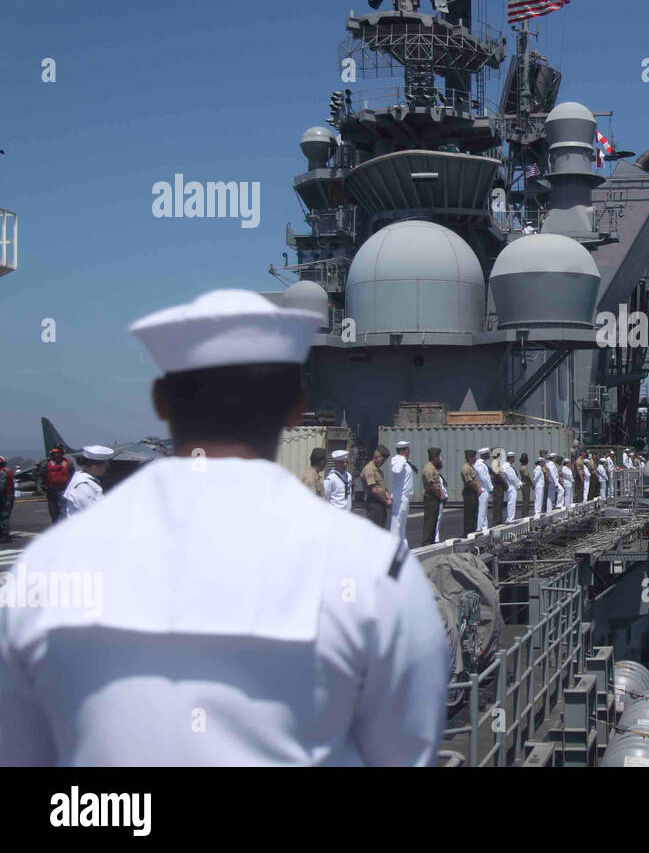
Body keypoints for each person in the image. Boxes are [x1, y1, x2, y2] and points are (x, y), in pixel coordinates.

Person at [0, 288, 448, 765]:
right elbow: (406, 750)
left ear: (160, 401)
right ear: (297, 405)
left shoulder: (45, 569)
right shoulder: (378, 571)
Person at [61, 445, 113, 518]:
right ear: (96, 466)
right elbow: (94, 513)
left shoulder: (88, 480)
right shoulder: (83, 486)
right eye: (105, 466)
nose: (106, 468)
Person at [388, 441, 415, 545]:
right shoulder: (397, 459)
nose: (409, 452)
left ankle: (403, 547)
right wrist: (402, 458)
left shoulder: (405, 462)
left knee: (403, 523)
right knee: (397, 523)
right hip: (400, 496)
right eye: (407, 449)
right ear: (403, 450)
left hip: (406, 496)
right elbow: (397, 470)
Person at [39, 446, 74, 523]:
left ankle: (62, 528)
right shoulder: (46, 464)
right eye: (55, 453)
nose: (57, 455)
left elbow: (73, 475)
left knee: (63, 510)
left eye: (58, 453)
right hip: (51, 490)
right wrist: (40, 487)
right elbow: (40, 476)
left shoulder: (68, 463)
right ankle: (56, 527)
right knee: (53, 511)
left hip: (64, 489)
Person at [361, 447, 391, 528]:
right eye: (382, 460)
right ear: (376, 457)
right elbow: (373, 490)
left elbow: (383, 487)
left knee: (381, 529)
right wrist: (386, 500)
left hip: (381, 503)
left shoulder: (379, 470)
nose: (383, 462)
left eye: (384, 460)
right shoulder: (369, 469)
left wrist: (389, 498)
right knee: (375, 529)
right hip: (374, 503)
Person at [421, 447, 446, 546]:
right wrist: (440, 495)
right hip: (431, 496)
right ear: (434, 457)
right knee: (430, 520)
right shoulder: (429, 468)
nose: (439, 458)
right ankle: (426, 542)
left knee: (434, 520)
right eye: (438, 456)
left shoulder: (433, 467)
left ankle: (431, 540)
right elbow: (431, 485)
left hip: (435, 496)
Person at [459, 450, 480, 538]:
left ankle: (472, 531)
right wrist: (477, 489)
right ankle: (468, 533)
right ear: (470, 458)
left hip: (473, 492)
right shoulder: (466, 468)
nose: (475, 459)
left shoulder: (471, 466)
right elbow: (469, 482)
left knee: (474, 513)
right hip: (469, 492)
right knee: (469, 514)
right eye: (474, 457)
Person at [472, 447, 492, 531]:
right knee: (482, 509)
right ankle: (480, 527)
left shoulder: (482, 464)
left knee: (484, 510)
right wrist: (491, 487)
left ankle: (484, 527)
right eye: (487, 454)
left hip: (485, 488)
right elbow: (483, 478)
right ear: (484, 455)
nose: (489, 455)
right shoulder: (480, 464)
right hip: (483, 489)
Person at [502, 452, 521, 523]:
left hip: (510, 486)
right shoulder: (507, 467)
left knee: (511, 502)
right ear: (510, 458)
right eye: (513, 458)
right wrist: (519, 484)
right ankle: (510, 518)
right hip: (511, 487)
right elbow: (512, 478)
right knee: (511, 503)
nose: (514, 459)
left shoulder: (506, 466)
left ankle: (510, 518)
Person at [0, 456, 14, 543]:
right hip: (7, 496)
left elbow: (1, 487)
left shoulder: (2, 472)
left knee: (4, 516)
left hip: (4, 497)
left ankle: (5, 535)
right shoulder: (7, 470)